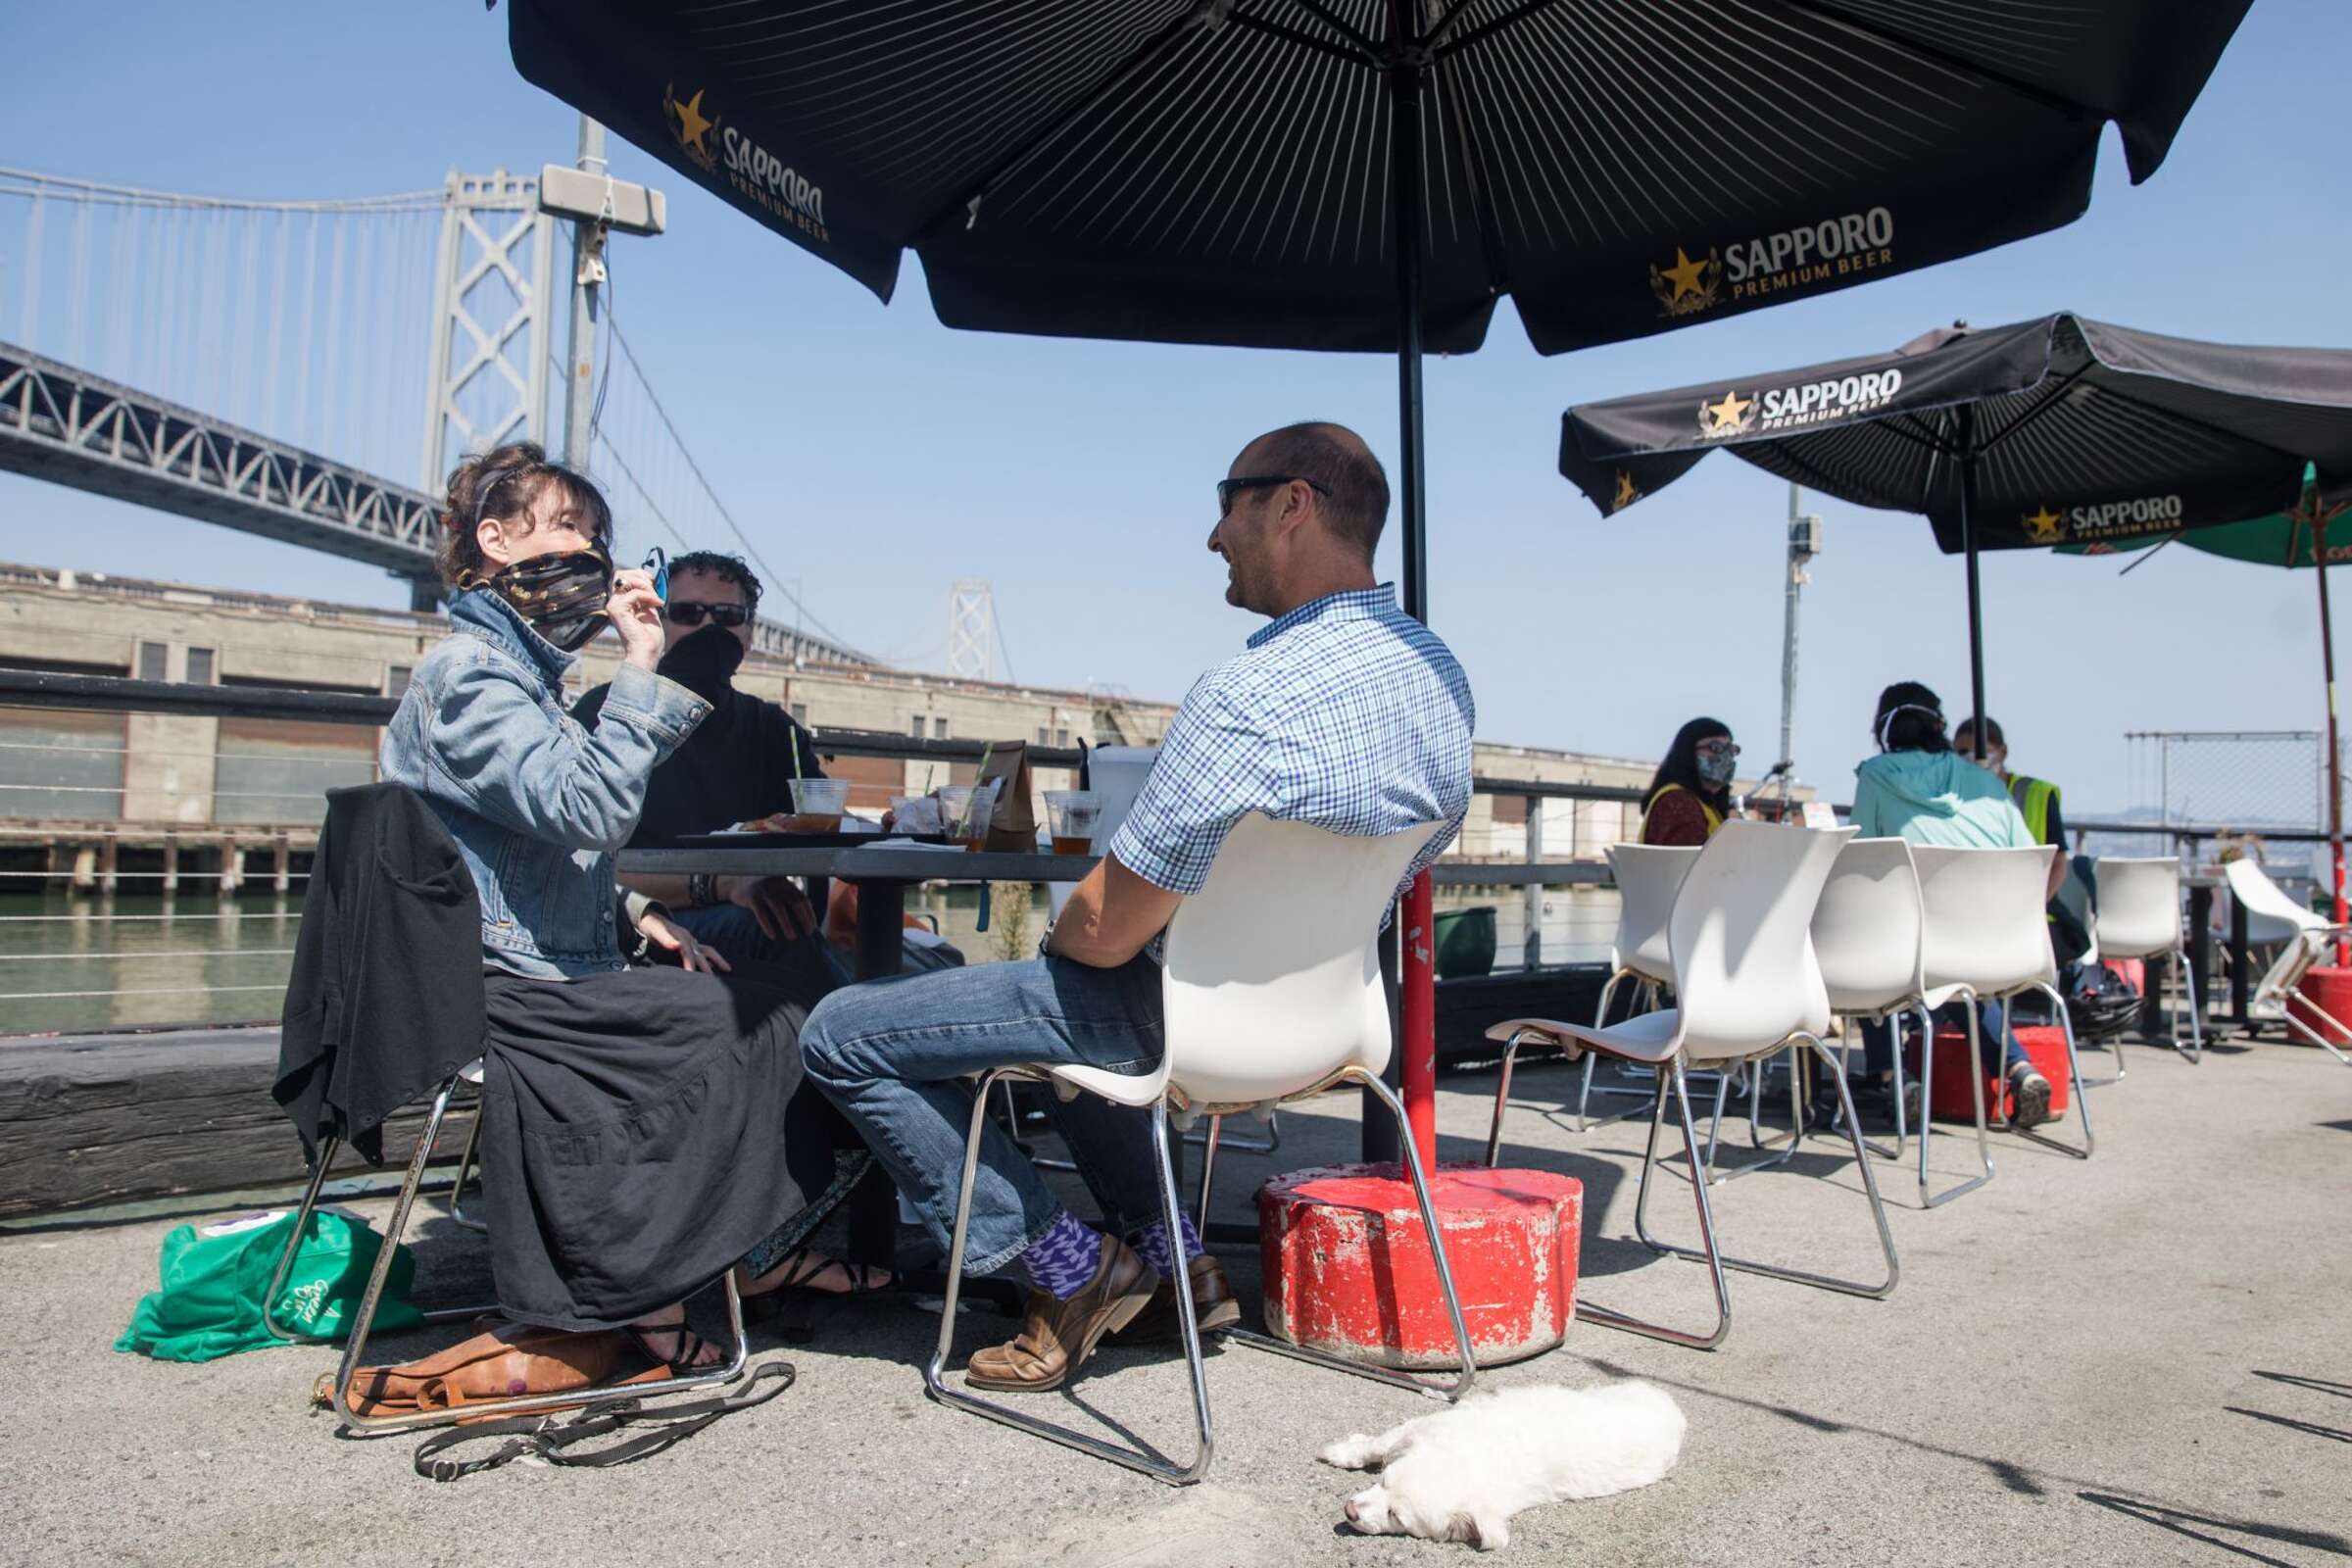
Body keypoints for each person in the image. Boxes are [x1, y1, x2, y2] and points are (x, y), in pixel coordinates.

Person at [799, 422, 1475, 1394]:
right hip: (1334, 1024)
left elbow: (1103, 929)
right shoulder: (1441, 679)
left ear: (1291, 504)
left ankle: (1063, 1268)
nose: (1212, 538)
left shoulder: (1248, 694)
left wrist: (1092, 914)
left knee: (842, 1033)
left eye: (1226, 502)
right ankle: (1178, 1265)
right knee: (1088, 1027)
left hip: (1179, 1023)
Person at [378, 443, 880, 1371]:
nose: (590, 553)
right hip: (505, 991)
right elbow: (595, 811)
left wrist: (627, 905)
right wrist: (645, 661)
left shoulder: (519, 676)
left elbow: (515, 851)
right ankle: (666, 1282)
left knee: (763, 1000)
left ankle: (730, 1257)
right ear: (495, 541)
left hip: (541, 960)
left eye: (595, 535)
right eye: (566, 527)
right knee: (768, 1020)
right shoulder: (471, 677)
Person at [574, 551, 842, 994]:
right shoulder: (606, 715)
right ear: (658, 620)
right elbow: (577, 867)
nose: (708, 628)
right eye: (687, 613)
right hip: (634, 921)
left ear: (749, 634)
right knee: (771, 934)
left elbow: (822, 834)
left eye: (727, 615)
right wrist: (720, 885)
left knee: (787, 930)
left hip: (746, 915)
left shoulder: (776, 731)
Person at [1849, 682, 2056, 1127]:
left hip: (1920, 951)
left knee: (1867, 961)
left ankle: (1895, 1079)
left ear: (1883, 730)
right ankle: (2021, 1068)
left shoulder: (1876, 774)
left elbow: (1860, 861)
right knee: (1959, 976)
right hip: (2002, 950)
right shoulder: (1987, 784)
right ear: (1939, 727)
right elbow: (2030, 862)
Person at [1641, 718, 1738, 846]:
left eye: (1731, 750)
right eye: (1715, 747)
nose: (1726, 757)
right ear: (1687, 752)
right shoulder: (1677, 802)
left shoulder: (1706, 805)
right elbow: (1689, 862)